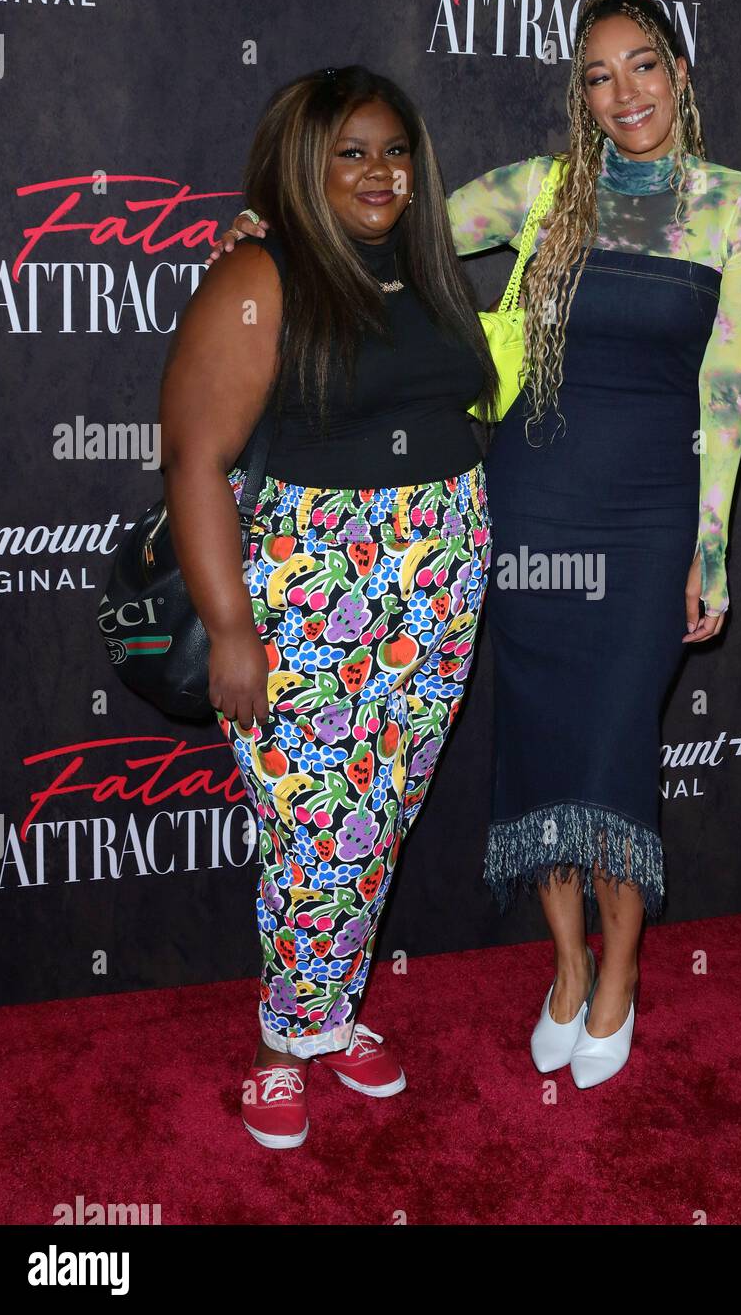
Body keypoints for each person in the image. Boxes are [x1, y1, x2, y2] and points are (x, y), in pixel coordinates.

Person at [214, 0, 741, 1091]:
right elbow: (396, 229)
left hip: (649, 515)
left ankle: (620, 973)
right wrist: (275, 229)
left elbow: (729, 384)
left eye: (645, 65)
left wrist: (711, 547)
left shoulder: (735, 208)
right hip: (523, 503)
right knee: (536, 738)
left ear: (679, 72)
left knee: (613, 746)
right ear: (581, 95)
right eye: (601, 75)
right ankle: (563, 967)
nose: (627, 93)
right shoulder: (546, 191)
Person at [162, 66, 495, 1148]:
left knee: (379, 816)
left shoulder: (425, 259)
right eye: (350, 152)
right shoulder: (260, 275)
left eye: (394, 150)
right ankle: (279, 1042)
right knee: (315, 826)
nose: (380, 172)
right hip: (319, 589)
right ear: (304, 162)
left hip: (439, 580)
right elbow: (196, 459)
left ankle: (326, 1015)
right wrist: (228, 628)